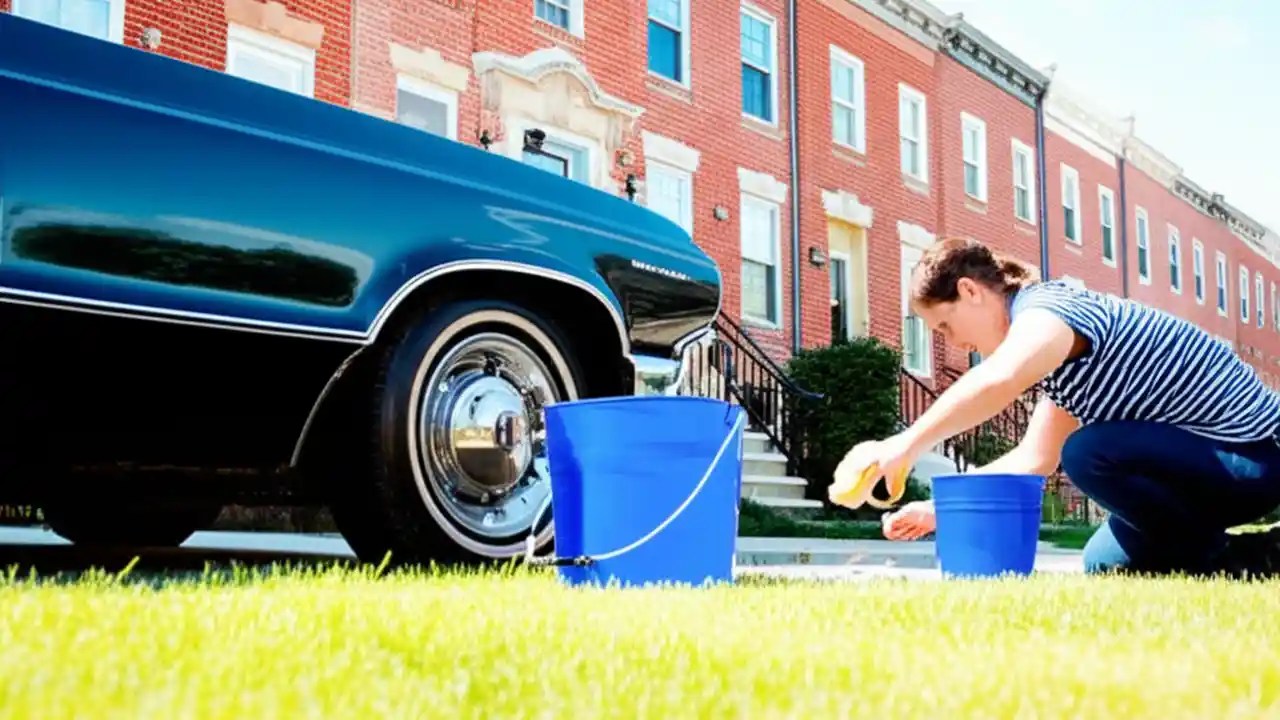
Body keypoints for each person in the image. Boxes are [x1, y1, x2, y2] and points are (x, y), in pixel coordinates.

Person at [832, 235, 1280, 579]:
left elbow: (1000, 378)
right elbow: (1033, 459)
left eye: (946, 325)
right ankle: (1231, 553)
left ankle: (1240, 557)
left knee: (1088, 451)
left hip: (1254, 457)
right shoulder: (1057, 360)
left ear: (970, 291)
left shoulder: (1049, 310)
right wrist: (940, 508)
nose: (953, 342)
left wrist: (906, 445)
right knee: (1104, 562)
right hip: (1209, 472)